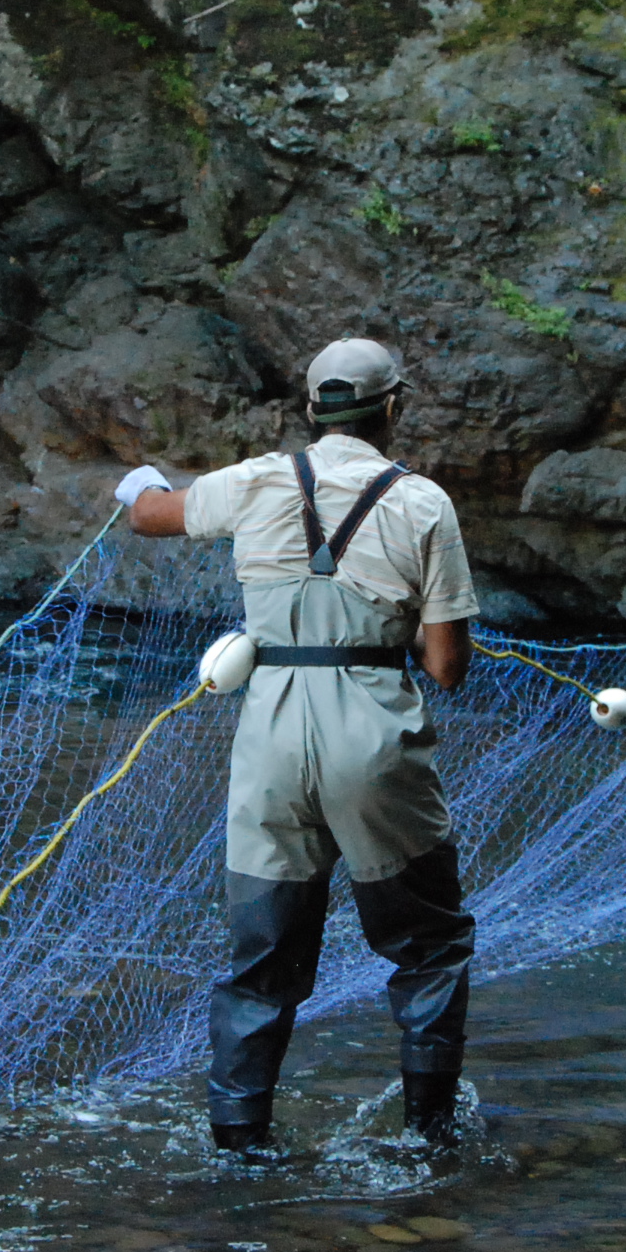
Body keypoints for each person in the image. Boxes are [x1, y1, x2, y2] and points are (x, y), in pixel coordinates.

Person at [114, 338, 481, 1157]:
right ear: (393, 409)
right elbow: (446, 667)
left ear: (312, 411)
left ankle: (240, 1147)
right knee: (428, 945)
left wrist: (137, 482)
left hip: (269, 738)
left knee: (262, 958)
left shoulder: (257, 481)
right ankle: (429, 1140)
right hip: (374, 739)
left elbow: (150, 514)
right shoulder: (424, 503)